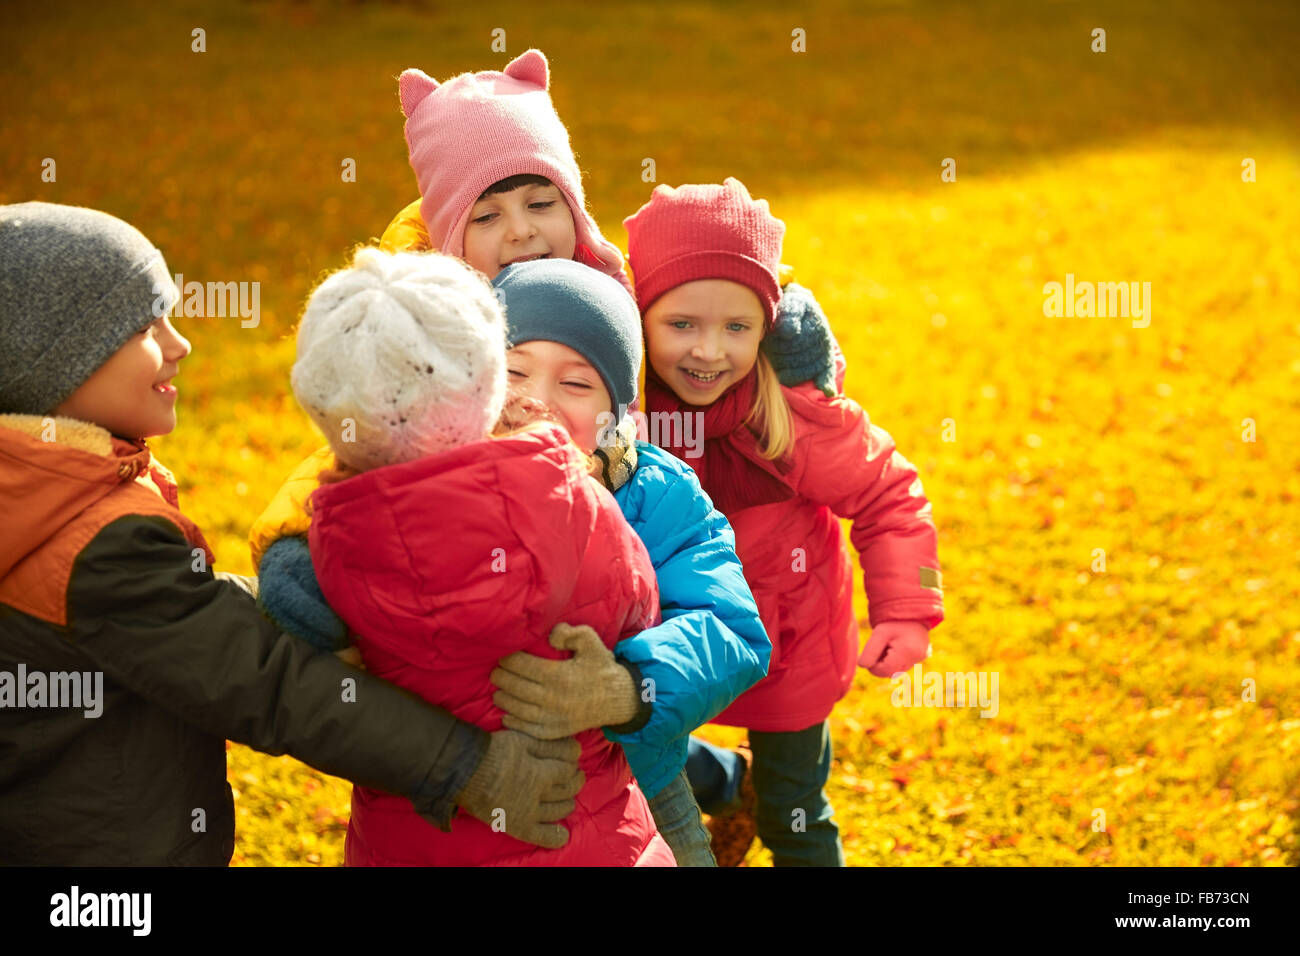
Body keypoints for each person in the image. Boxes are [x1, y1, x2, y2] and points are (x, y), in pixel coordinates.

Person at [0, 202, 583, 865]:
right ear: (52, 362)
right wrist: (463, 764)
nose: (178, 342)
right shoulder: (97, 544)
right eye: (143, 325)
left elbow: (175, 620)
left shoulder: (39, 493)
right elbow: (272, 686)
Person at [293, 247, 673, 865]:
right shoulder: (573, 498)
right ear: (489, 381)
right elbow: (639, 606)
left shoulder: (329, 536)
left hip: (411, 839)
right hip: (581, 829)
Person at [625, 178, 947, 866]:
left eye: (736, 328)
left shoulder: (791, 415)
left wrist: (907, 610)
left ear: (766, 328)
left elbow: (891, 494)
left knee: (794, 817)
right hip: (671, 641)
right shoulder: (623, 411)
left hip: (789, 645)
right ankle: (726, 779)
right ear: (638, 317)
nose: (709, 352)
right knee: (631, 756)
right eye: (682, 324)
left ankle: (766, 798)